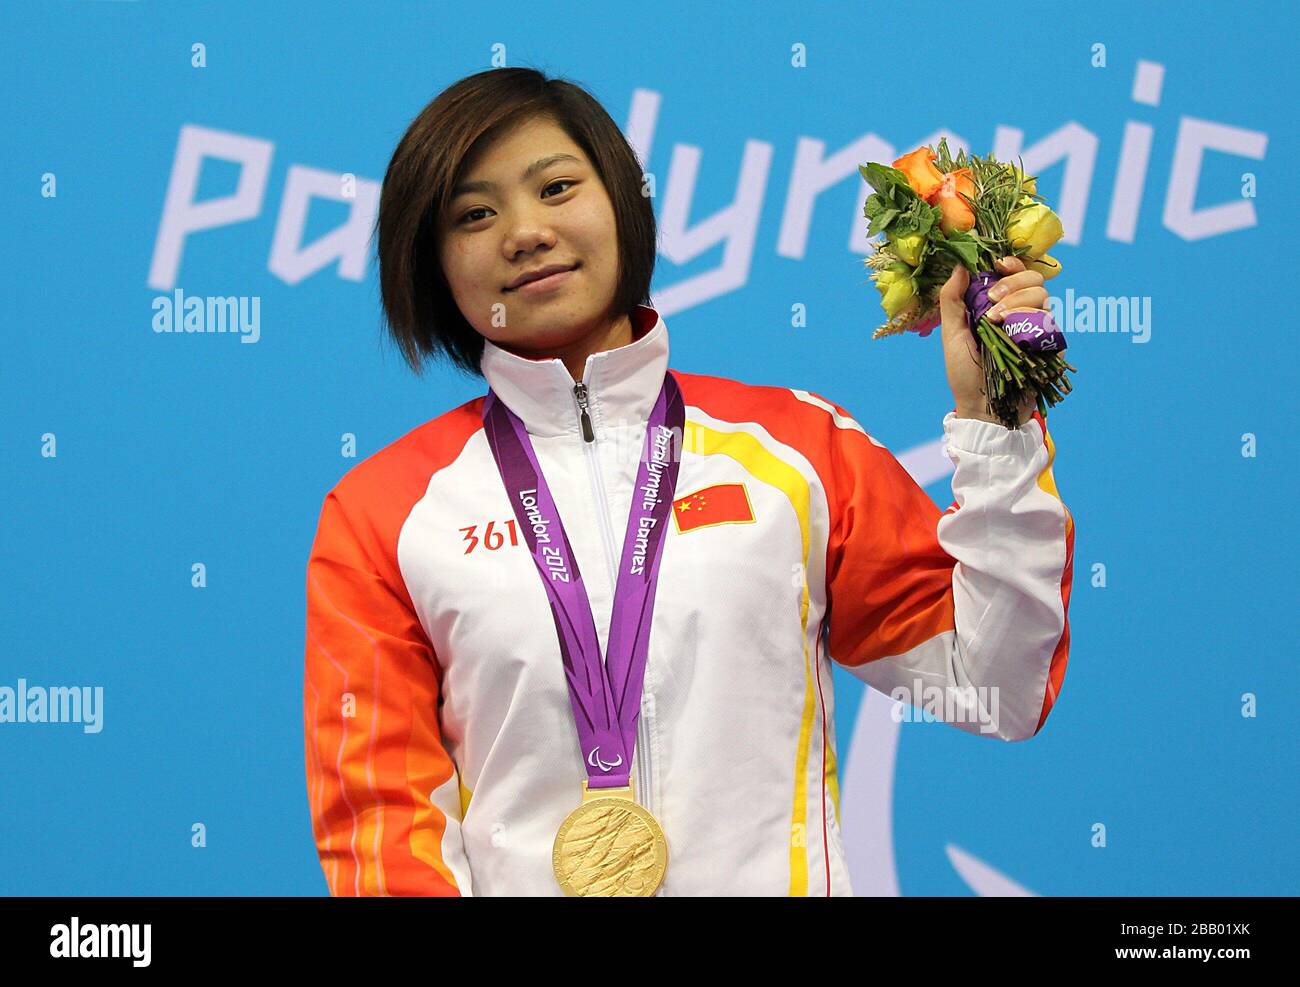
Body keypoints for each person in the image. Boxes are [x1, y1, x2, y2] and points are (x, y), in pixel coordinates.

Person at [302, 67, 1074, 897]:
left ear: (625, 205)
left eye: (557, 187)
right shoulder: (386, 514)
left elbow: (997, 684)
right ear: (433, 266)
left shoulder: (799, 450)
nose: (524, 232)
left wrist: (995, 423)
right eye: (475, 215)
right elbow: (381, 831)